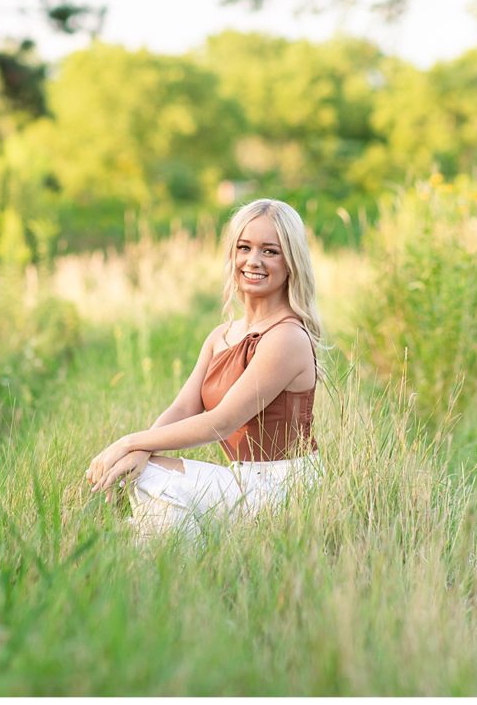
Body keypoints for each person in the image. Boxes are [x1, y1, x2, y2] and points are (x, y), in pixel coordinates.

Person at [85, 198, 323, 536]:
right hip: (241, 479)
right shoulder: (221, 336)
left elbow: (221, 422)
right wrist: (142, 451)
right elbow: (184, 408)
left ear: (291, 262)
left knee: (149, 476)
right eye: (244, 248)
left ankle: (165, 551)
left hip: (283, 488)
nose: (253, 260)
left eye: (270, 251)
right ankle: (165, 551)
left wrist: (128, 443)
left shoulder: (286, 337)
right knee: (142, 472)